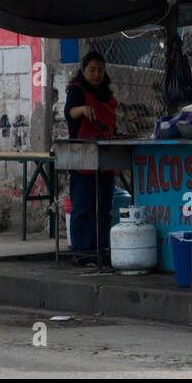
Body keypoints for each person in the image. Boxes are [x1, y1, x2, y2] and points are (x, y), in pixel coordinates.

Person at [64, 51, 118, 267]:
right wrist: (82, 109)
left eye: (100, 70)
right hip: (82, 157)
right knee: (83, 206)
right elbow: (69, 113)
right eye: (92, 70)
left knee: (104, 207)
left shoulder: (108, 95)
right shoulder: (76, 91)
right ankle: (82, 252)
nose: (96, 74)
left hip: (105, 156)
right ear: (83, 71)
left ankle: (101, 249)